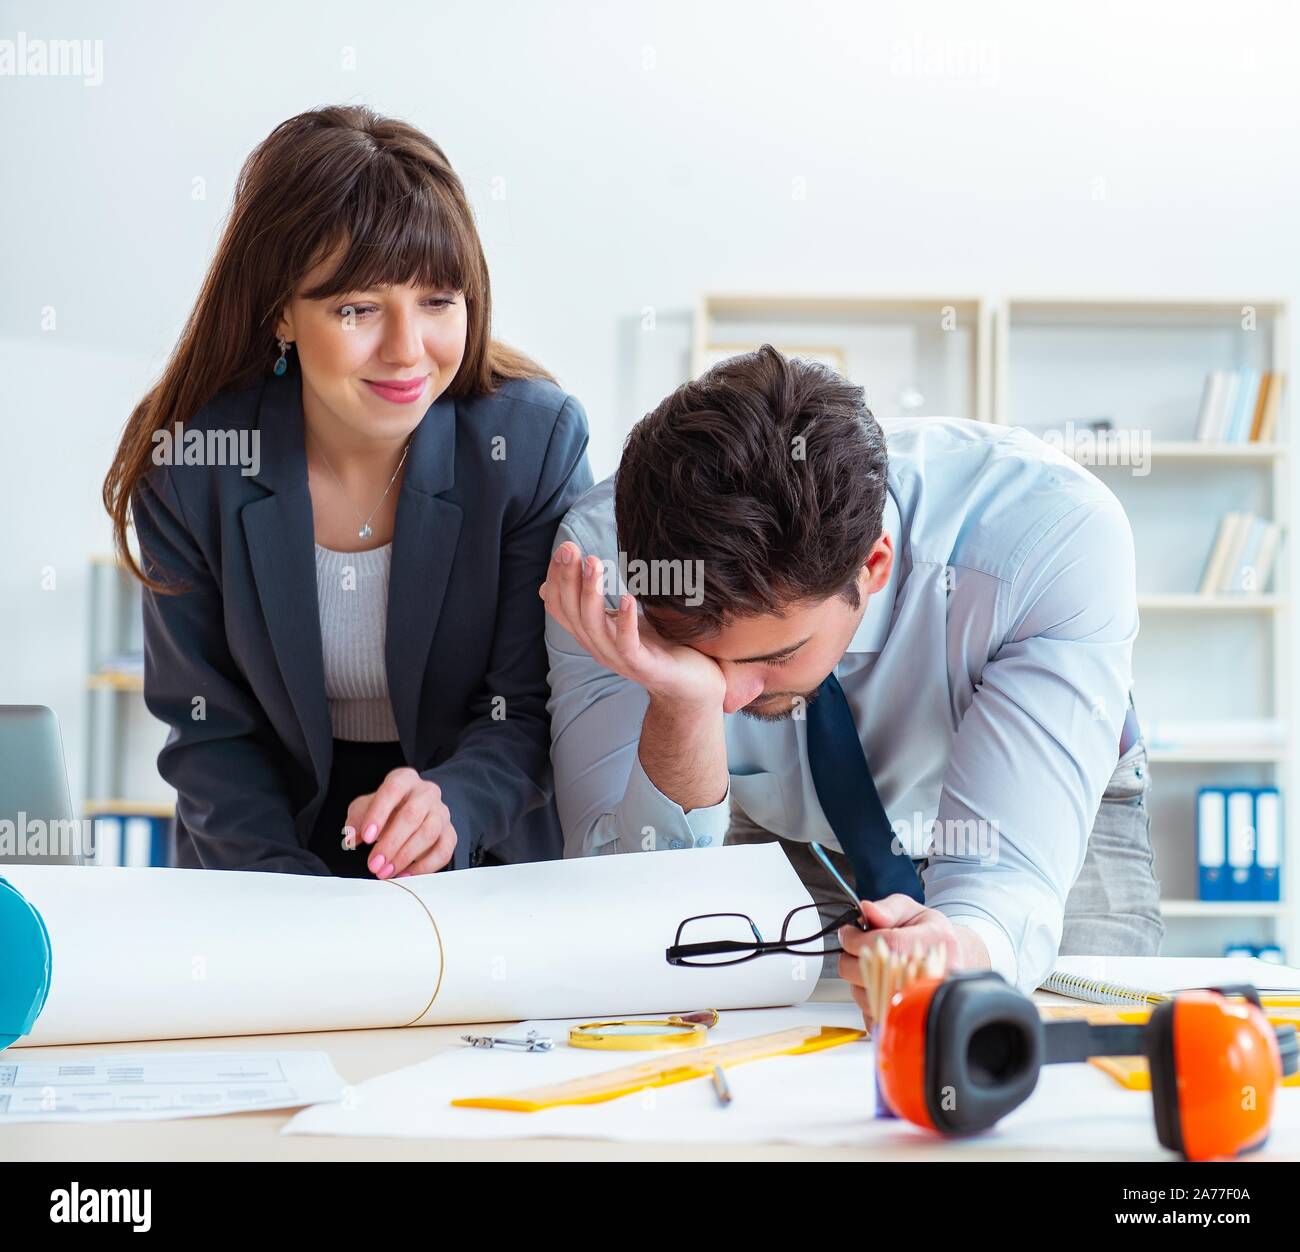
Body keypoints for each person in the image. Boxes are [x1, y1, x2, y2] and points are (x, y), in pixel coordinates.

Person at [540, 345, 1162, 998]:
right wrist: (680, 705)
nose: (730, 695)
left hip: (1043, 808)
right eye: (699, 657)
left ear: (874, 565)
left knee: (1049, 1028)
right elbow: (621, 899)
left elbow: (1005, 877)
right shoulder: (602, 568)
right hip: (777, 815)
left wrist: (954, 951)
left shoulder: (1050, 536)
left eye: (772, 655)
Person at [103, 105, 592, 878]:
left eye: (437, 301)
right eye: (357, 308)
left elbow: (532, 707)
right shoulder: (193, 463)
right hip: (260, 854)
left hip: (479, 855)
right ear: (282, 317)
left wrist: (451, 807)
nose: (407, 351)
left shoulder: (531, 446)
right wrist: (294, 916)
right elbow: (210, 734)